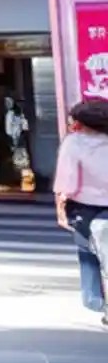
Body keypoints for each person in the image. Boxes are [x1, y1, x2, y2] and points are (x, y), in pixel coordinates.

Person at [54, 100, 108, 327]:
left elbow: (66, 179)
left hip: (85, 208)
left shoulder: (73, 143)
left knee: (89, 256)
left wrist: (60, 209)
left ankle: (96, 300)